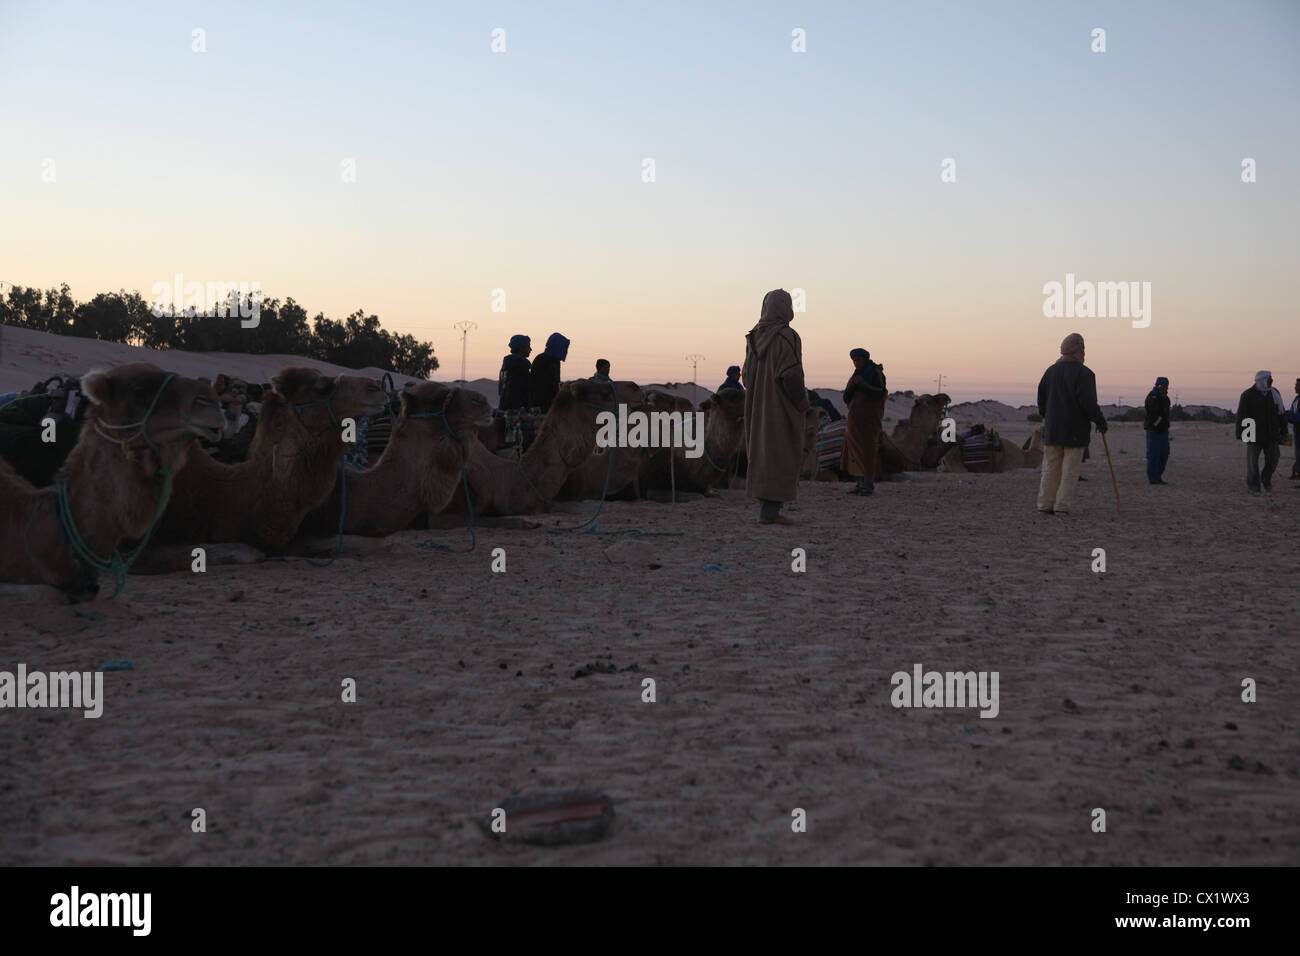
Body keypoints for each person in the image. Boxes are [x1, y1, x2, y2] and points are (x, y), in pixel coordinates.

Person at [742, 289, 809, 525]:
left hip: (757, 406)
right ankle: (770, 512)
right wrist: (802, 404)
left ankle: (767, 510)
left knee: (762, 453)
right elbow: (791, 375)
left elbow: (746, 376)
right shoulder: (787, 337)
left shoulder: (753, 338)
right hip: (780, 407)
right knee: (781, 453)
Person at [1036, 332, 1107, 515]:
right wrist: (1099, 420)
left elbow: (1041, 399)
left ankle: (1045, 504)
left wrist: (1048, 417)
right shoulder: (1085, 374)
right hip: (1075, 431)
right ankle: (1062, 506)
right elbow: (1088, 403)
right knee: (1069, 470)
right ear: (1079, 349)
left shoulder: (1050, 371)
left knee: (1050, 468)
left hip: (1053, 430)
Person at [841, 348, 887, 495]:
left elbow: (880, 393)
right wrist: (853, 385)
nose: (856, 363)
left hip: (869, 419)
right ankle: (859, 484)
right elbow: (846, 397)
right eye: (854, 360)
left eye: (858, 360)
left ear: (865, 359)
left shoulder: (875, 373)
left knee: (867, 449)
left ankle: (867, 485)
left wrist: (863, 385)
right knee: (855, 450)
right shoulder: (856, 375)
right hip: (855, 418)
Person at [1235, 370, 1287, 493]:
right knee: (1252, 463)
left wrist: (1284, 431)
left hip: (1272, 434)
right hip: (1253, 433)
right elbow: (1241, 416)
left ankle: (1266, 478)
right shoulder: (1248, 395)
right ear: (1262, 380)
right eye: (1269, 379)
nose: (1272, 381)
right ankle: (1254, 486)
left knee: (1274, 459)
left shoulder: (1275, 393)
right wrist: (1241, 434)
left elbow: (1281, 414)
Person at [529, 332, 569, 413]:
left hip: (551, 404)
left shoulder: (554, 361)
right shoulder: (543, 360)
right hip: (541, 405)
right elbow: (539, 385)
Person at [1143, 376, 1171, 484]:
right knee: (1153, 455)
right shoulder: (1152, 397)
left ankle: (1158, 476)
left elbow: (1166, 414)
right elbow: (1153, 413)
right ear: (1160, 386)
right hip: (1153, 431)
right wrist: (1156, 423)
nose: (1167, 388)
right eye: (1165, 386)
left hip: (1163, 431)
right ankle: (1152, 478)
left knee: (1164, 454)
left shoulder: (1166, 399)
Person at [498, 334, 531, 411]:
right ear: (521, 348)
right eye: (528, 346)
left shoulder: (508, 365)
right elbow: (517, 391)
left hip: (505, 407)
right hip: (515, 412)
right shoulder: (519, 366)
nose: (530, 349)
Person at [1288, 377, 1300, 480]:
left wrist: (1288, 416)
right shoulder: (1296, 399)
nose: (1295, 387)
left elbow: (1295, 416)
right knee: (1297, 455)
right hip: (1297, 432)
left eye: (1297, 385)